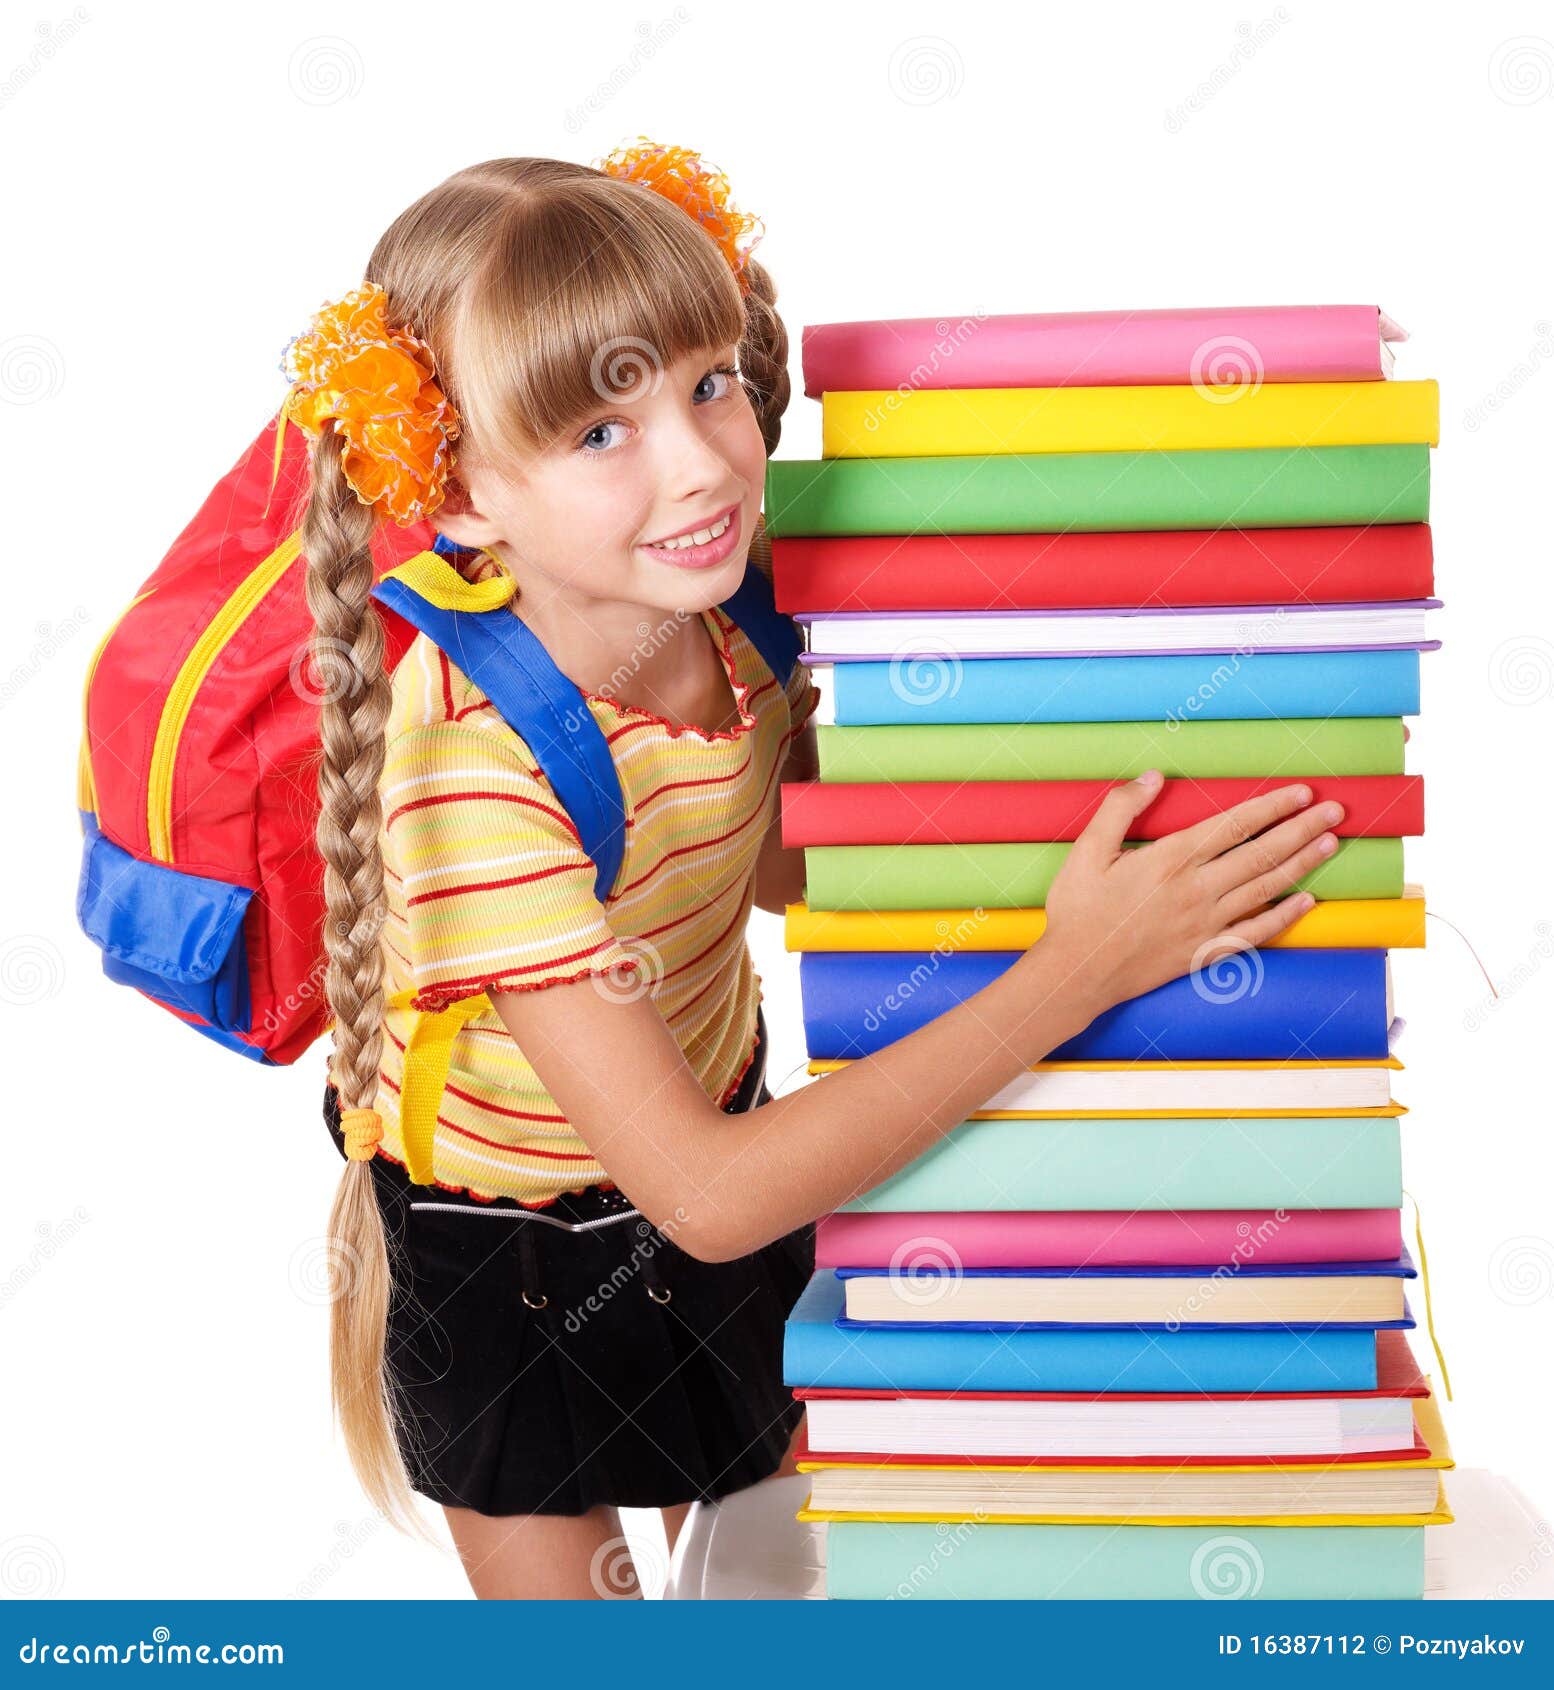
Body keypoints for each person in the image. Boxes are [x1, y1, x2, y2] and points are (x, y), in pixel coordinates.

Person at [290, 140, 1341, 1598]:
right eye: (602, 431)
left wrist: (1030, 769)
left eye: (705, 381)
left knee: (781, 1593)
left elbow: (775, 865)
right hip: (515, 1262)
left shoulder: (726, 610)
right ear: (459, 495)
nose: (700, 462)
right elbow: (708, 1195)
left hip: (728, 1153)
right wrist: (1077, 971)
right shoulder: (471, 774)